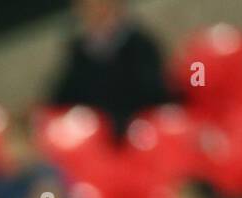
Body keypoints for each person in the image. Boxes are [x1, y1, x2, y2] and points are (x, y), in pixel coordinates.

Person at [47, 0, 170, 136]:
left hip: (141, 134)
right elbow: (61, 101)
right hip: (96, 138)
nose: (94, 10)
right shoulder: (79, 54)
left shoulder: (140, 46)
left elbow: (156, 96)